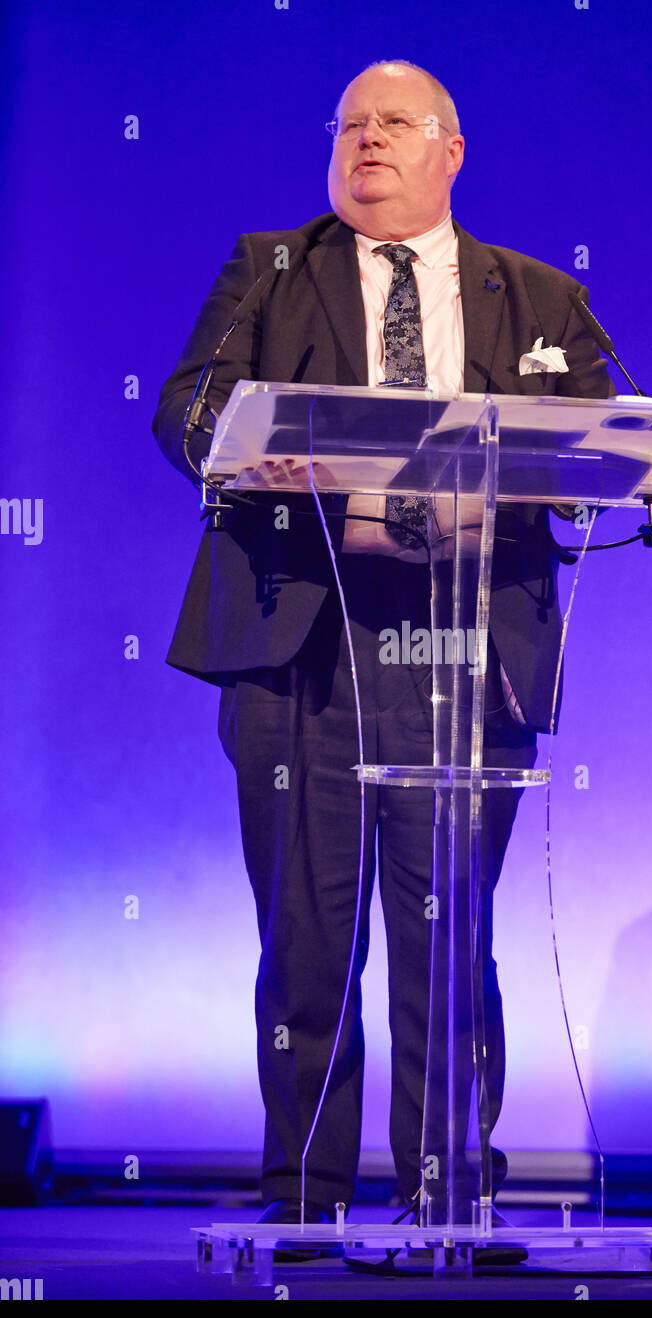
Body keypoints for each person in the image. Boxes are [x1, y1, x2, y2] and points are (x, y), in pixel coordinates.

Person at [152, 59, 615, 1229]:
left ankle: (446, 1196)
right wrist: (257, 456)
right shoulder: (271, 266)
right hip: (305, 642)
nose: (365, 141)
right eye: (348, 125)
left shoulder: (539, 297)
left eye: (393, 124)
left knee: (450, 935)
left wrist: (522, 491)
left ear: (448, 151)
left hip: (467, 644)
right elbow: (186, 411)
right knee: (306, 933)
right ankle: (303, 1200)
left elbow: (602, 445)